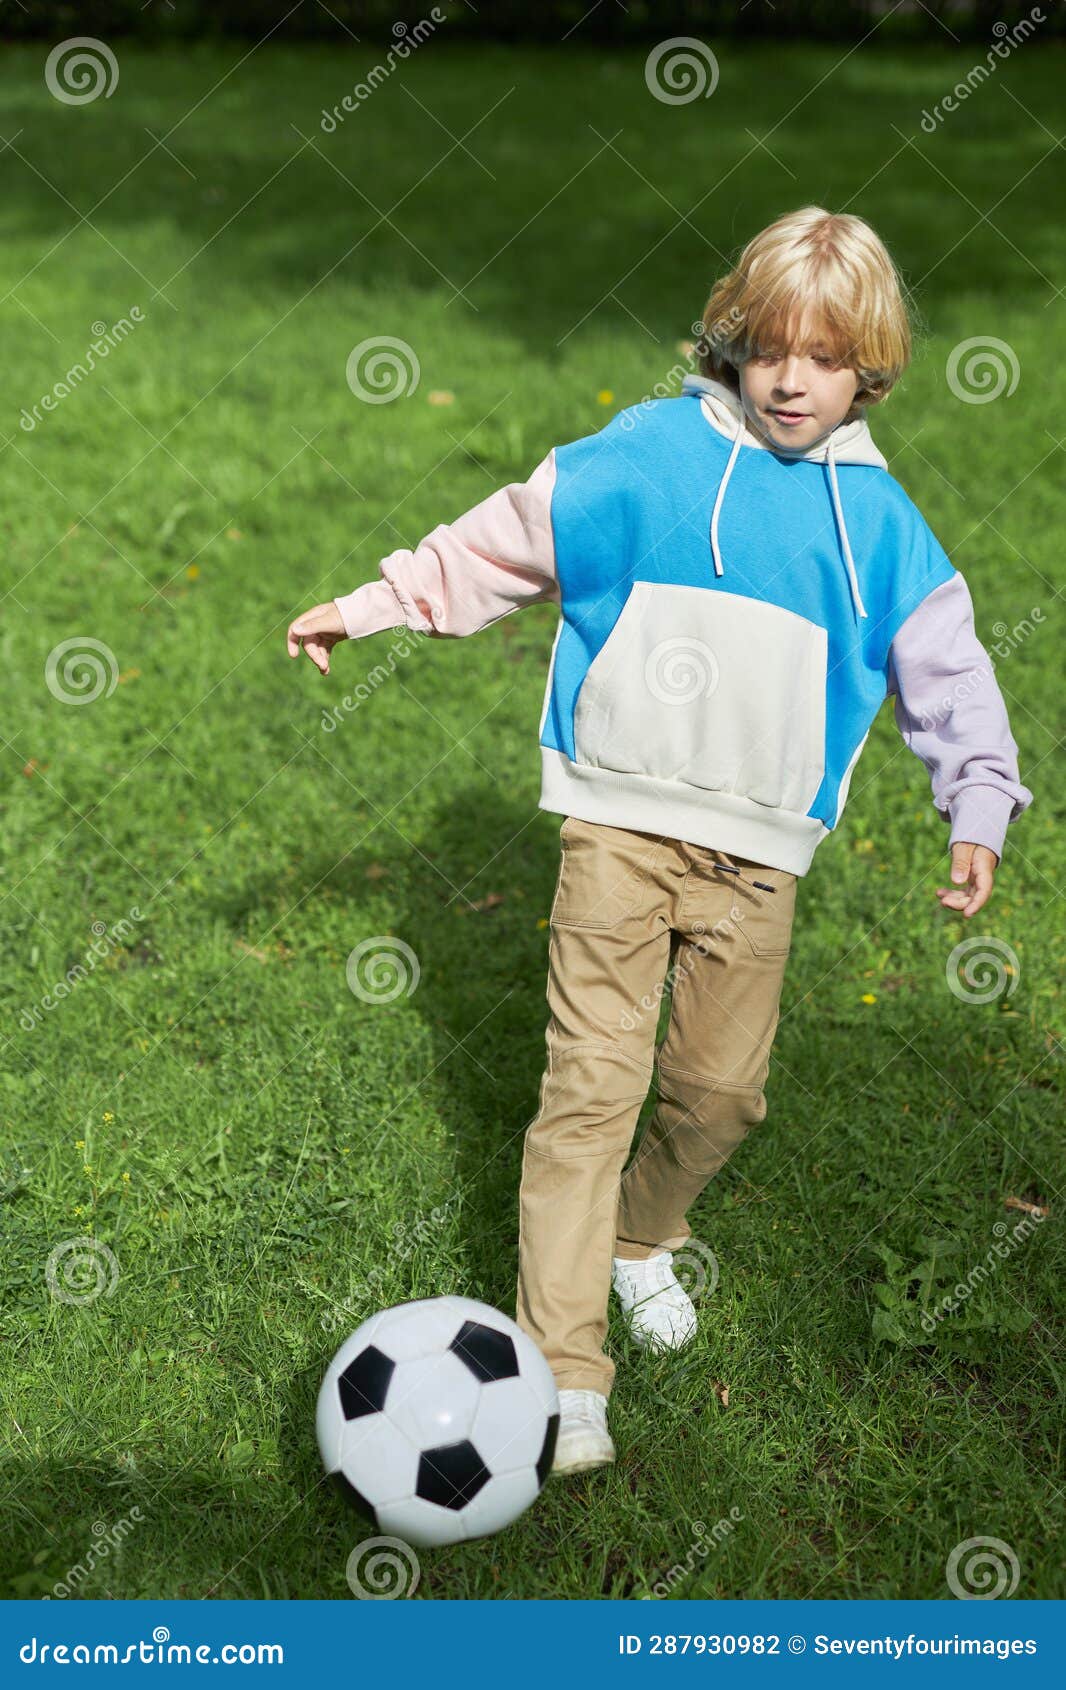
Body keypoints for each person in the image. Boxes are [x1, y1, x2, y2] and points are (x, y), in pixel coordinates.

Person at [287, 206, 1034, 1477]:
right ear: (733, 343)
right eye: (770, 349)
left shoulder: (884, 527)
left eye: (827, 355)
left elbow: (945, 671)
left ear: (871, 370)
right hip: (619, 822)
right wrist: (376, 604)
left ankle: (642, 1239)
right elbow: (505, 538)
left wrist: (977, 797)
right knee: (589, 1091)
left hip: (759, 852)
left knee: (717, 1095)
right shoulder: (645, 455)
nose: (792, 378)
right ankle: (562, 1370)